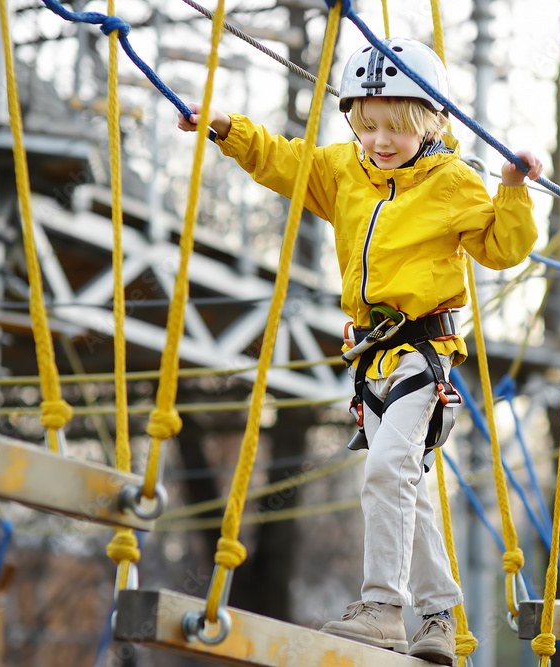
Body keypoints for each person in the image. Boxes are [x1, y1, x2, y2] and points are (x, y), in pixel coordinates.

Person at [179, 37, 541, 666]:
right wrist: (223, 128)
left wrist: (512, 188)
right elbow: (282, 161)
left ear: (430, 122)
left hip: (423, 353)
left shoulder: (452, 183)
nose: (378, 140)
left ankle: (381, 606)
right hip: (370, 357)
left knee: (387, 471)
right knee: (409, 485)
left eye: (395, 129)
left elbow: (502, 248)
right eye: (366, 124)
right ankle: (436, 616)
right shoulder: (344, 171)